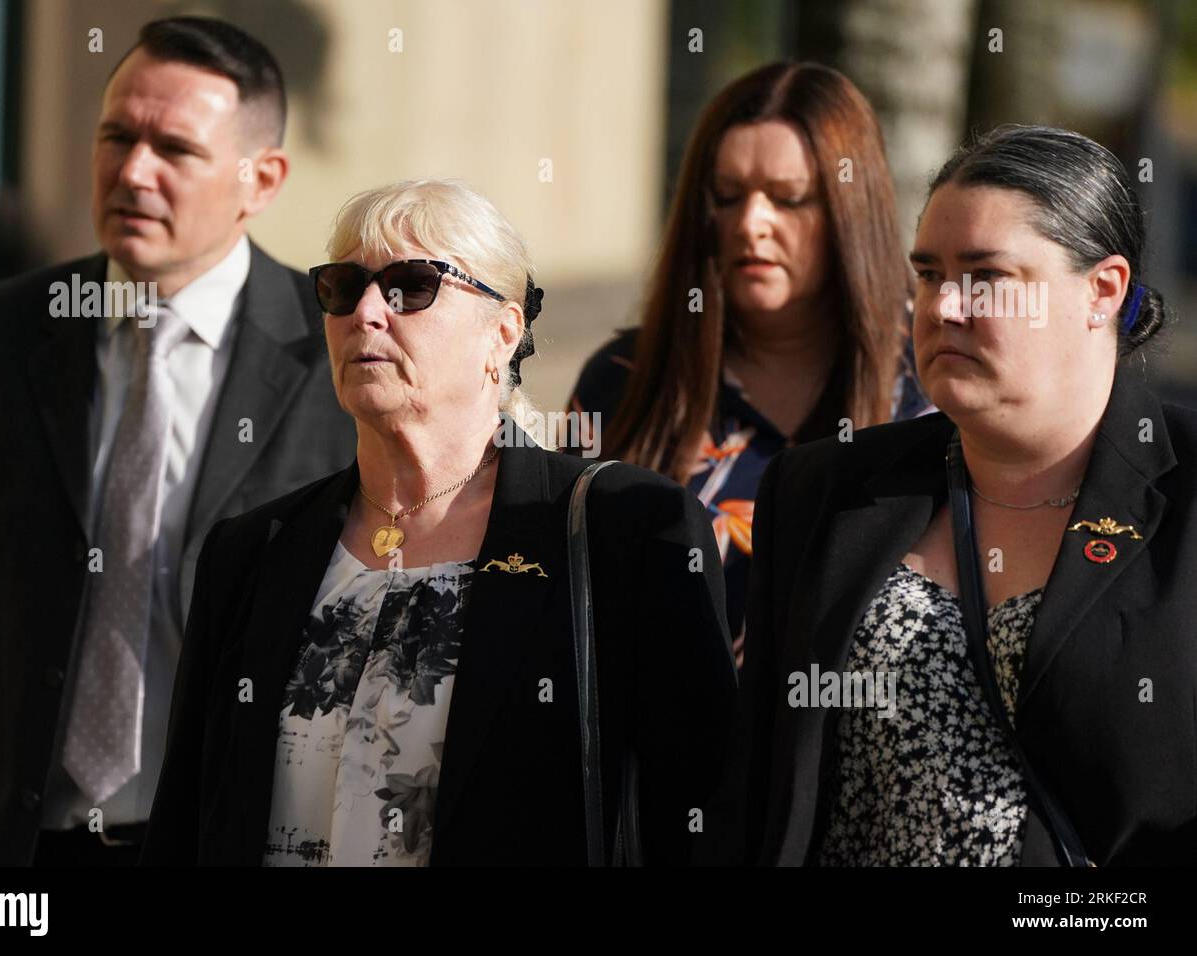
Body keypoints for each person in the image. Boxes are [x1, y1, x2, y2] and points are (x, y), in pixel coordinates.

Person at [140, 180, 737, 866]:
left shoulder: (621, 531)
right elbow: (186, 820)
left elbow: (699, 816)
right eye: (342, 286)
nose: (366, 312)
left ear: (502, 333)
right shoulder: (253, 550)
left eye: (410, 286)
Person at [0, 17, 357, 867]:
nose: (133, 172)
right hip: (12, 847)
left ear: (262, 178)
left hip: (222, 838)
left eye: (175, 149)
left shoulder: (335, 351)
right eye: (117, 136)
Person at [740, 125, 1197, 866]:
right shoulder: (826, 488)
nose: (944, 307)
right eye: (927, 274)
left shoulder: (1185, 493)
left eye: (986, 276)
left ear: (1102, 291)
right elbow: (762, 784)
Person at [564, 62, 931, 665]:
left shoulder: (931, 383)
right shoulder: (622, 380)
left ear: (851, 208)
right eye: (727, 197)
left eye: (788, 199)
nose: (750, 223)